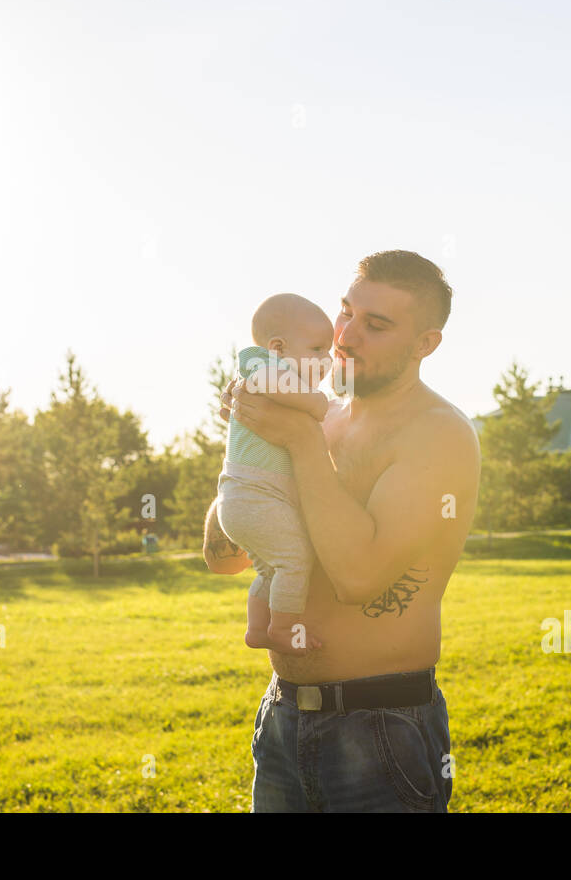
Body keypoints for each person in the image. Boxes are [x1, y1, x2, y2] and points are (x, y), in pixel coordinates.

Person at [202, 250, 480, 812]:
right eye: (346, 312)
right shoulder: (316, 416)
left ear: (426, 343)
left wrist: (300, 444)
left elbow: (358, 577)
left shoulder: (437, 434)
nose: (345, 337)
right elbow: (224, 556)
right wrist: (245, 448)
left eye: (375, 325)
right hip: (282, 718)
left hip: (379, 730)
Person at [214, 293, 335, 654]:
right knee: (295, 561)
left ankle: (256, 629)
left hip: (250, 499)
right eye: (316, 349)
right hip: (253, 495)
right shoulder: (259, 363)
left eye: (328, 351)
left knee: (270, 570)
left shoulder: (285, 386)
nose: (326, 360)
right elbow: (272, 382)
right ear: (278, 347)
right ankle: (284, 629)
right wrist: (316, 402)